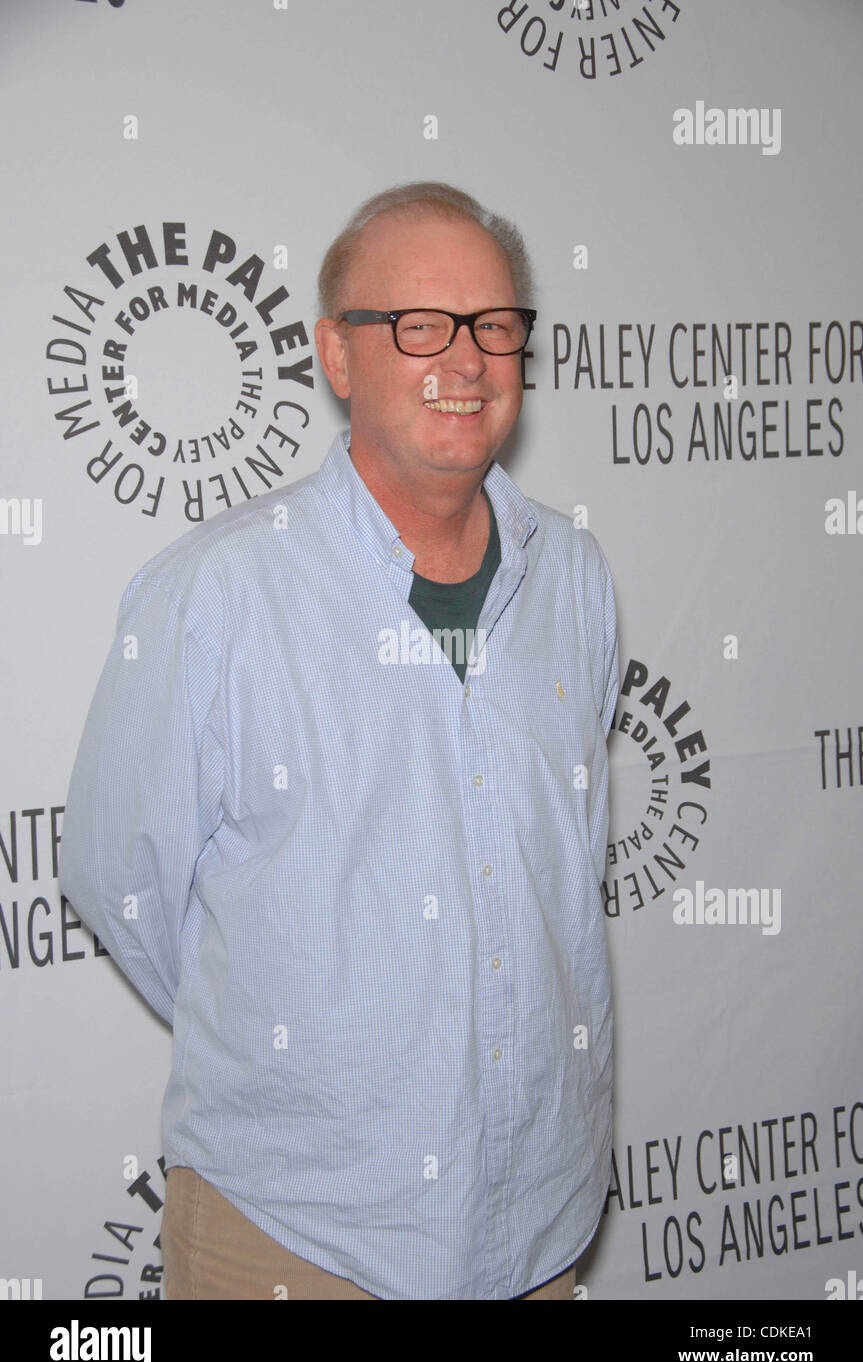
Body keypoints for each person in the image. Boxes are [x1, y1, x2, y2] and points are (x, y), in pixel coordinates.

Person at [59, 181, 619, 1301]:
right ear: (337, 354)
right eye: (416, 324)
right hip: (301, 1237)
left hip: (537, 1225)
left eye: (493, 325)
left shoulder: (578, 577)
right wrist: (312, 1041)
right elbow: (120, 881)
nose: (463, 359)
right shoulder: (213, 595)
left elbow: (567, 868)